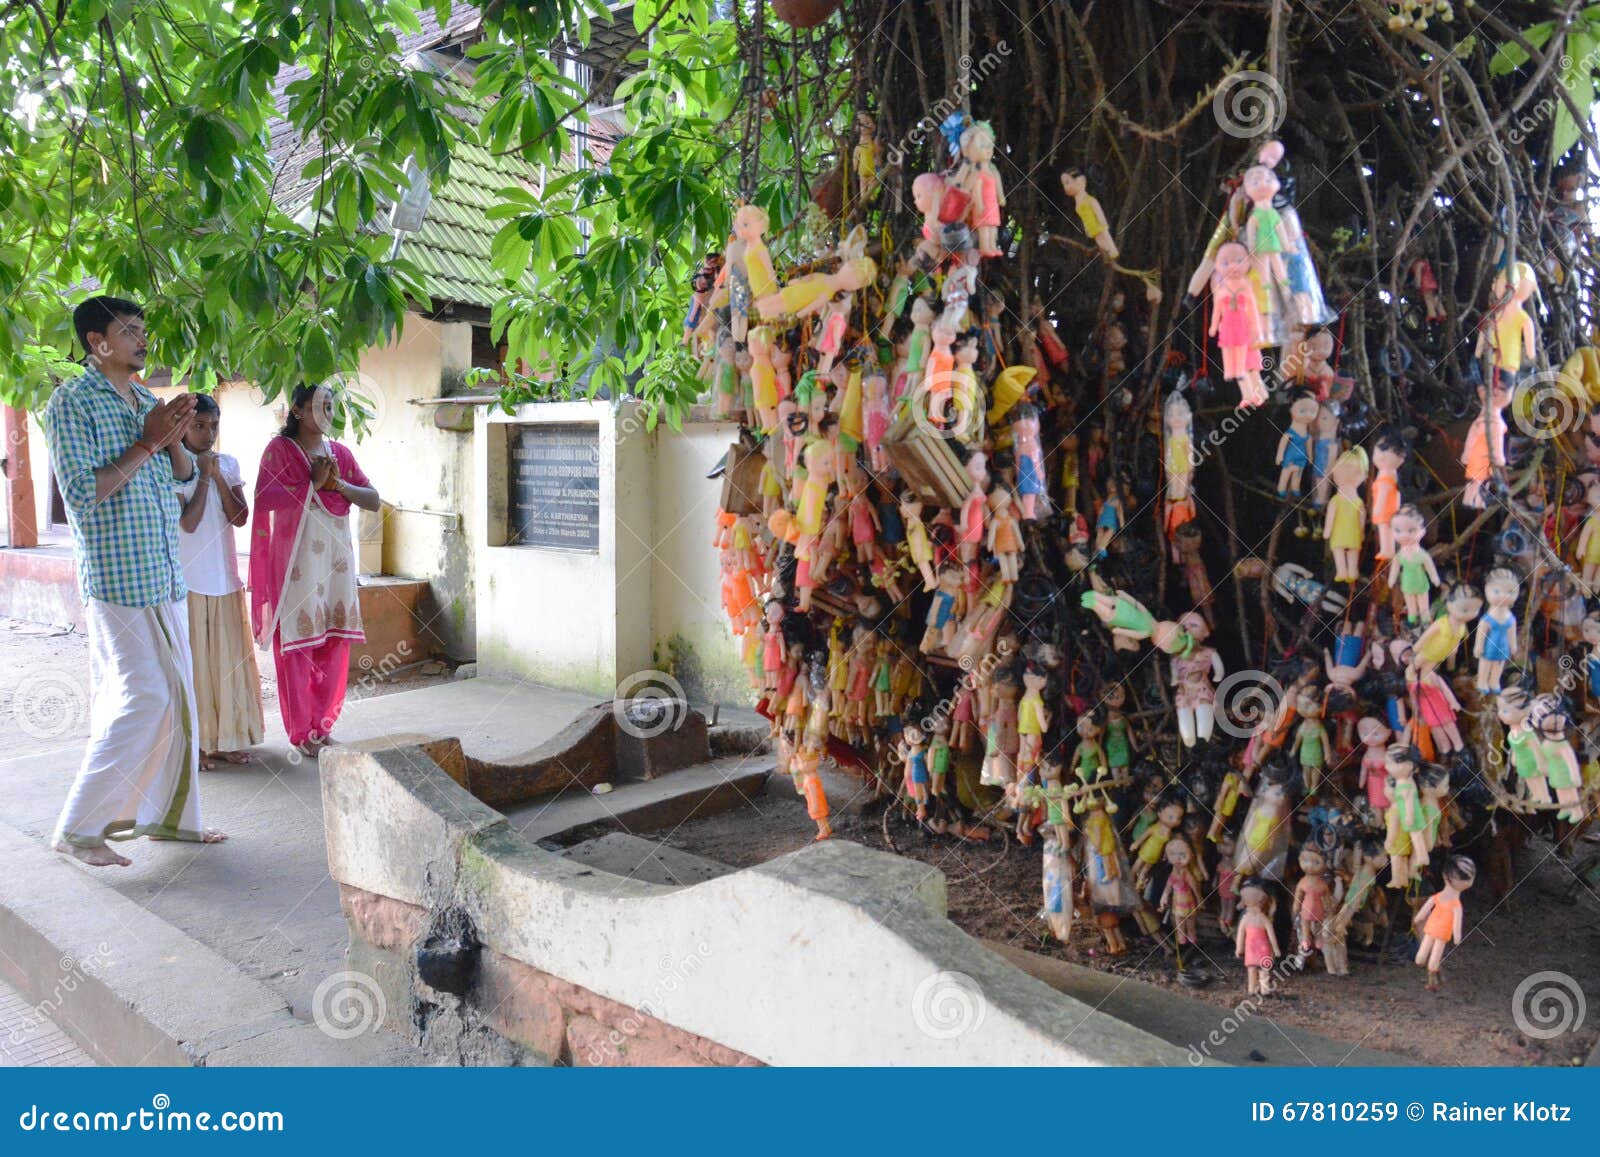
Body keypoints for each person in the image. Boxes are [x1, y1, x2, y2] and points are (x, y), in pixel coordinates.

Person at [42, 296, 226, 866]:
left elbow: (182, 480)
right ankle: (78, 828)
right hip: (118, 576)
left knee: (177, 699)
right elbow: (81, 494)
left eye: (143, 330)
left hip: (163, 572)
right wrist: (147, 441)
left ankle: (171, 820)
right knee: (145, 695)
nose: (143, 340)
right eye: (129, 331)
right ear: (97, 343)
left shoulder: (148, 401)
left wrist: (173, 440)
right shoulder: (70, 402)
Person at [250, 383, 381, 755]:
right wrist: (311, 484)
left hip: (335, 565)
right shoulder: (280, 451)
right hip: (297, 565)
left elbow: (372, 499)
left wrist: (338, 485)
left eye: (330, 406)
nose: (327, 412)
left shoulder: (340, 453)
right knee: (298, 646)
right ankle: (302, 733)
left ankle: (323, 727)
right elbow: (265, 500)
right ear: (297, 411)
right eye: (319, 406)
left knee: (333, 644)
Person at [176, 393, 264, 769]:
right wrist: (203, 477)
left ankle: (224, 740)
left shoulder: (227, 463)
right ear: (182, 427)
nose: (208, 433)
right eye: (199, 426)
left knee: (227, 666)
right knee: (195, 667)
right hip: (189, 582)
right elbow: (189, 523)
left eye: (213, 426)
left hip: (225, 580)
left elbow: (240, 517)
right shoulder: (174, 466)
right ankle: (194, 745)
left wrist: (218, 476)